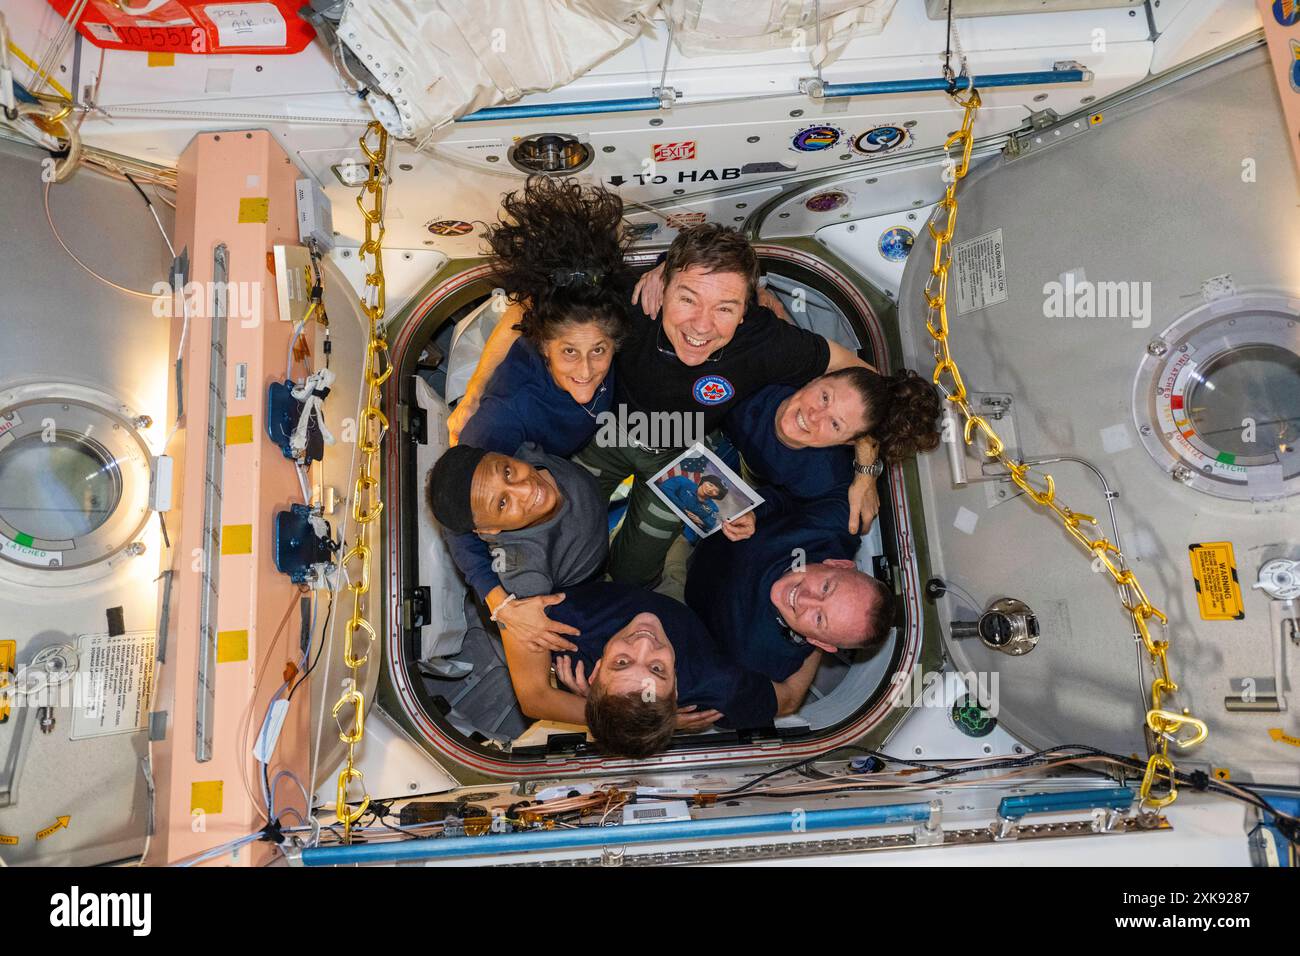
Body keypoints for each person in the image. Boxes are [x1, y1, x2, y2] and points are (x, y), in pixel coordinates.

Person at [454, 223, 881, 588]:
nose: (701, 325)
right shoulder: (634, 303)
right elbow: (531, 306)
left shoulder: (765, 341)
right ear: (665, 284)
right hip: (608, 432)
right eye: (688, 298)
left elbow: (873, 386)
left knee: (633, 574)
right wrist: (475, 392)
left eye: (725, 308)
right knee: (567, 533)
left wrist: (865, 472)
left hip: (683, 452)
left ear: (745, 309)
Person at [444, 176, 632, 645]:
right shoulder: (503, 419)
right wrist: (498, 601)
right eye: (568, 353)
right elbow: (457, 518)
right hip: (559, 460)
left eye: (599, 352)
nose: (587, 371)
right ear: (542, 346)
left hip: (580, 455)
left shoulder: (596, 319)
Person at [500, 581, 823, 758]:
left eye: (622, 662)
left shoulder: (559, 620)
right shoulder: (715, 684)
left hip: (605, 583)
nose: (644, 642)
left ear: (595, 672)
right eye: (657, 668)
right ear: (678, 691)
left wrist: (610, 710)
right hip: (684, 597)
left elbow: (533, 699)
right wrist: (822, 629)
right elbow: (790, 698)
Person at [685, 500, 894, 684]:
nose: (804, 600)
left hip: (678, 594)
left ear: (819, 643)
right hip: (704, 519)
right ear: (838, 564)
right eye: (825, 588)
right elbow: (785, 497)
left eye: (819, 618)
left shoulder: (759, 661)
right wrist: (754, 511)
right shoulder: (830, 528)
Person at [427, 443, 606, 644]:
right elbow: (523, 645)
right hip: (596, 576)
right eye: (502, 503)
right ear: (487, 531)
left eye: (507, 472)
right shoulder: (523, 571)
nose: (526, 488)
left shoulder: (526, 451)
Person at [725, 367, 942, 532]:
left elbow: (783, 503)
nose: (814, 416)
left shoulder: (820, 478)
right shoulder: (770, 369)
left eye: (835, 424)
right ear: (818, 377)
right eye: (825, 397)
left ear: (850, 441)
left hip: (749, 473)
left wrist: (754, 512)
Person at [656, 472, 726, 533]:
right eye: (710, 485)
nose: (710, 490)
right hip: (661, 513)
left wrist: (701, 522)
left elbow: (710, 526)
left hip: (682, 532)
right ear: (704, 481)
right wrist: (684, 509)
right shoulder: (682, 481)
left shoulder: (713, 508)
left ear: (718, 496)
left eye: (716, 491)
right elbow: (664, 489)